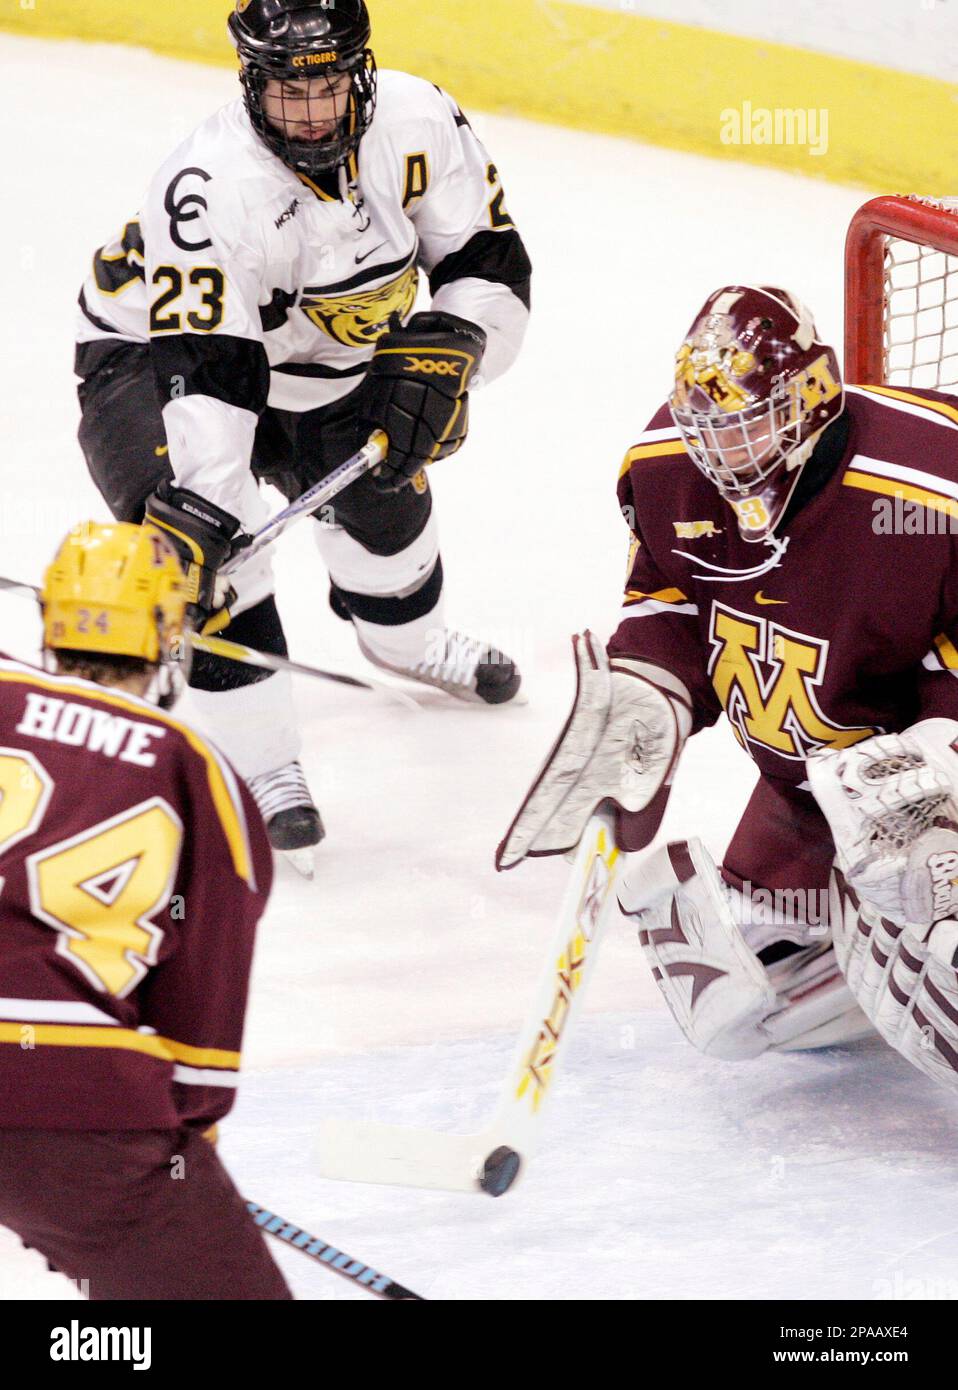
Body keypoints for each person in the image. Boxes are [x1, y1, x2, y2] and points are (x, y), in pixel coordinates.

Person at [75, 0, 533, 859]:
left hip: (331, 358)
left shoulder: (420, 118)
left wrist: (460, 344)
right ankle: (264, 760)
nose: (313, 114)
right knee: (212, 542)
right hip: (152, 358)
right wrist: (204, 515)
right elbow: (210, 371)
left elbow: (489, 262)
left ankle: (410, 643)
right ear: (252, 85)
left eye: (327, 87)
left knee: (389, 525)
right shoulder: (209, 187)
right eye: (289, 92)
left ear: (360, 70)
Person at [497, 284, 958, 1089]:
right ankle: (861, 916)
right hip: (815, 790)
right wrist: (647, 694)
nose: (721, 451)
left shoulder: (930, 487)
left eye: (746, 425)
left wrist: (932, 760)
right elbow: (670, 598)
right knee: (744, 992)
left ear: (812, 400)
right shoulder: (666, 469)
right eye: (707, 427)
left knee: (928, 905)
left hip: (921, 775)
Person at [0, 522, 290, 1299]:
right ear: (170, 634)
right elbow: (201, 1029)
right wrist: (174, 1155)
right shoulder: (192, 768)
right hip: (63, 1100)